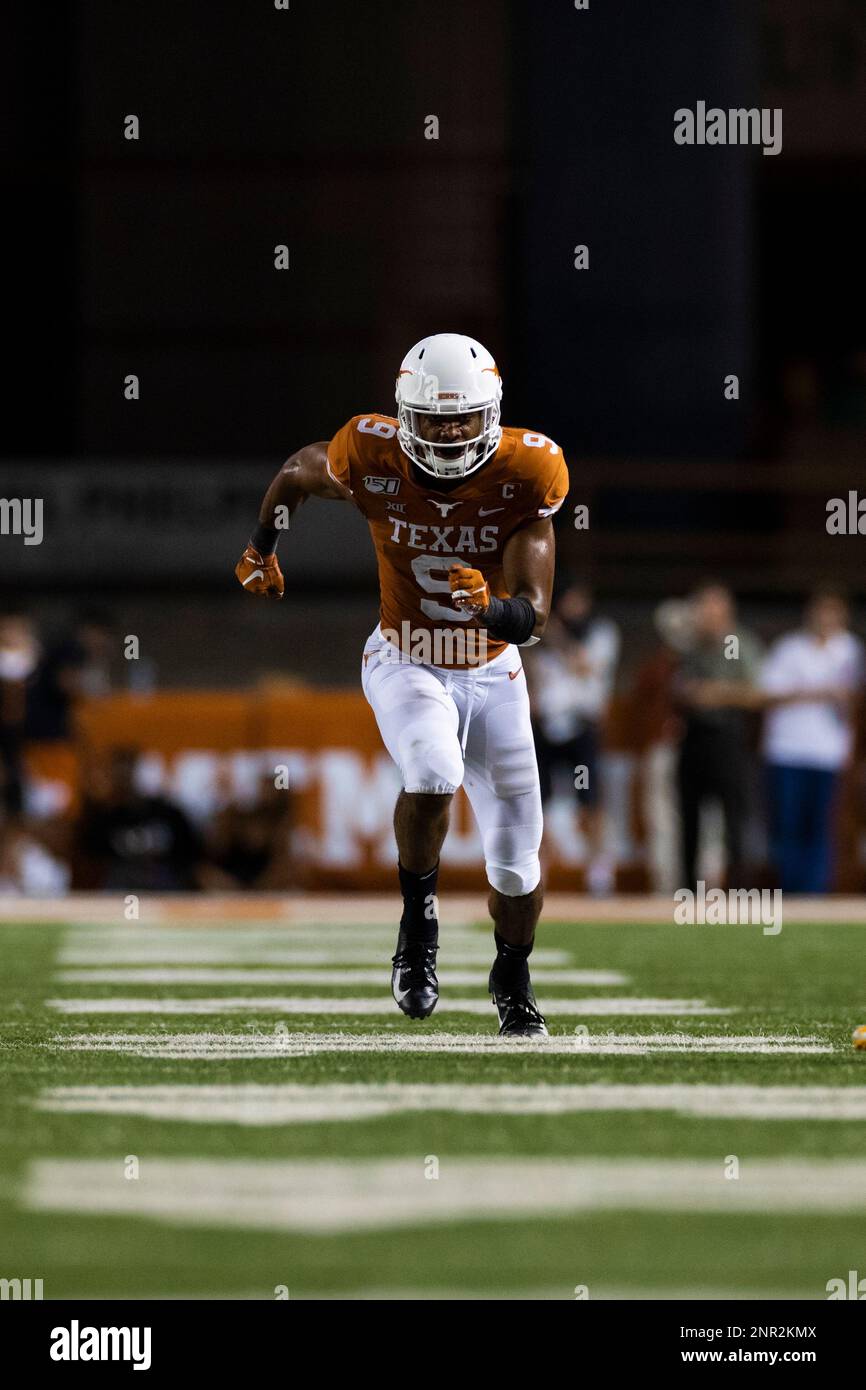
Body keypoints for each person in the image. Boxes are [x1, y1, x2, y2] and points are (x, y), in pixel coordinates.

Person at [235, 333, 568, 1036]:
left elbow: (533, 617)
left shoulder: (527, 470)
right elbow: (299, 469)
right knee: (433, 767)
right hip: (406, 655)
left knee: (517, 865)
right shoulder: (370, 452)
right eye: (435, 418)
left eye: (462, 418)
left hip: (492, 671)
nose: (448, 433)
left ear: (492, 414)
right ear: (405, 416)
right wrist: (260, 548)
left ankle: (513, 976)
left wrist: (491, 609)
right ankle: (419, 932)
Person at [760, 589, 864, 893]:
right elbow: (770, 693)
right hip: (788, 750)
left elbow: (853, 702)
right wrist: (819, 693)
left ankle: (814, 893)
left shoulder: (850, 650)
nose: (826, 619)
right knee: (788, 825)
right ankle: (789, 890)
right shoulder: (789, 648)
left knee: (820, 827)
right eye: (822, 612)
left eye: (833, 613)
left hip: (828, 752)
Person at [528, 582, 620, 893]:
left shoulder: (600, 634)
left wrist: (558, 638)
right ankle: (539, 871)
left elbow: (585, 666)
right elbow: (531, 678)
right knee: (538, 804)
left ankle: (599, 872)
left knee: (588, 803)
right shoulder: (539, 638)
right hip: (546, 728)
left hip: (581, 727)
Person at [673, 583, 762, 889]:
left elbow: (755, 694)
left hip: (727, 737)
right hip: (694, 737)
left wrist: (714, 694)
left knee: (733, 817)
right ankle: (687, 889)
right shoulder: (691, 647)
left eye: (709, 608)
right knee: (688, 817)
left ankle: (737, 888)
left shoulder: (739, 643)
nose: (703, 615)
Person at [74, 747, 204, 891]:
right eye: (120, 774)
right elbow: (89, 855)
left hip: (164, 882)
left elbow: (191, 853)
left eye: (131, 772)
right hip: (121, 883)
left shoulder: (169, 813)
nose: (126, 780)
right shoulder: (103, 817)